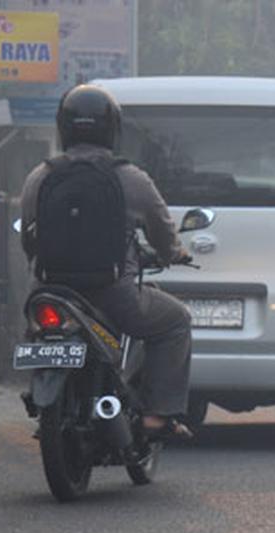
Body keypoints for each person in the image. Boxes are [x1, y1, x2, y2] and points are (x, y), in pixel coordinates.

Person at [19, 84, 194, 438]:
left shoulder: (40, 176)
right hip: (113, 295)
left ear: (63, 127)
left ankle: (41, 395)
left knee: (36, 328)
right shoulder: (130, 178)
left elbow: (29, 238)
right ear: (112, 128)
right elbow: (162, 231)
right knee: (176, 320)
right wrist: (174, 254)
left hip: (52, 291)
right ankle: (158, 416)